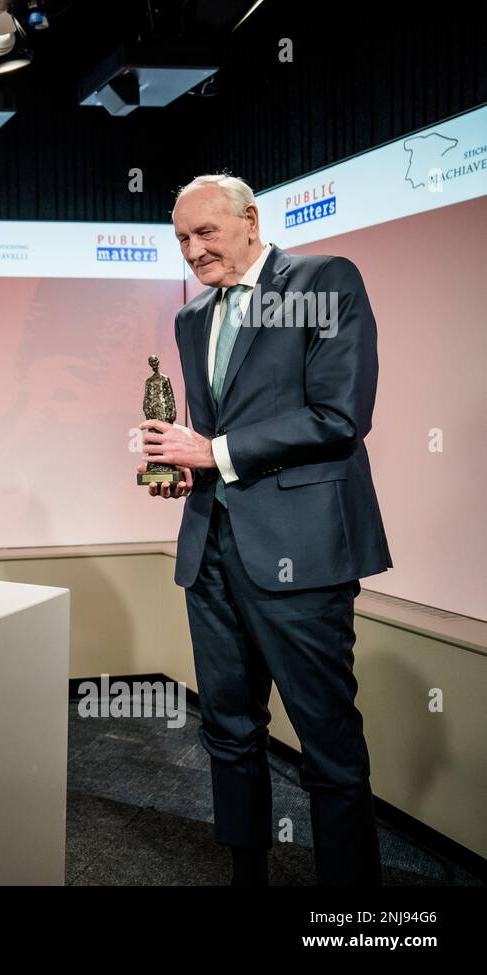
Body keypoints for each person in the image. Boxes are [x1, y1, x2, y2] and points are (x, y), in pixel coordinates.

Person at [138, 173, 392, 886]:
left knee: (328, 744)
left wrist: (213, 452)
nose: (192, 249)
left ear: (250, 219)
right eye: (182, 238)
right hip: (212, 551)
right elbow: (223, 428)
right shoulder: (192, 320)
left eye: (205, 232)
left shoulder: (324, 280)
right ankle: (246, 877)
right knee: (228, 731)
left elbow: (339, 415)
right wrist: (195, 464)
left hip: (301, 550)